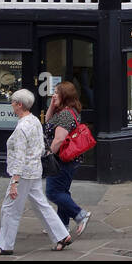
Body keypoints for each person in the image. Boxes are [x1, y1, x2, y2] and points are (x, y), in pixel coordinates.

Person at [0, 89, 72, 255]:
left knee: (10, 209)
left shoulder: (22, 128)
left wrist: (14, 182)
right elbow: (41, 147)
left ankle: (5, 245)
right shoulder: (34, 120)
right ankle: (61, 235)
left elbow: (20, 157)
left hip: (24, 174)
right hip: (35, 170)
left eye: (13, 102)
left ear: (19, 105)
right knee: (41, 205)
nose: (11, 105)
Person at [44, 81, 91, 239]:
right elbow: (48, 122)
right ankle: (62, 226)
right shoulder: (65, 111)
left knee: (53, 192)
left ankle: (80, 215)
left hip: (61, 160)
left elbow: (59, 139)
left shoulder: (65, 115)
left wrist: (48, 156)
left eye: (57, 92)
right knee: (62, 191)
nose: (54, 95)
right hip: (69, 160)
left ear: (65, 95)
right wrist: (52, 105)